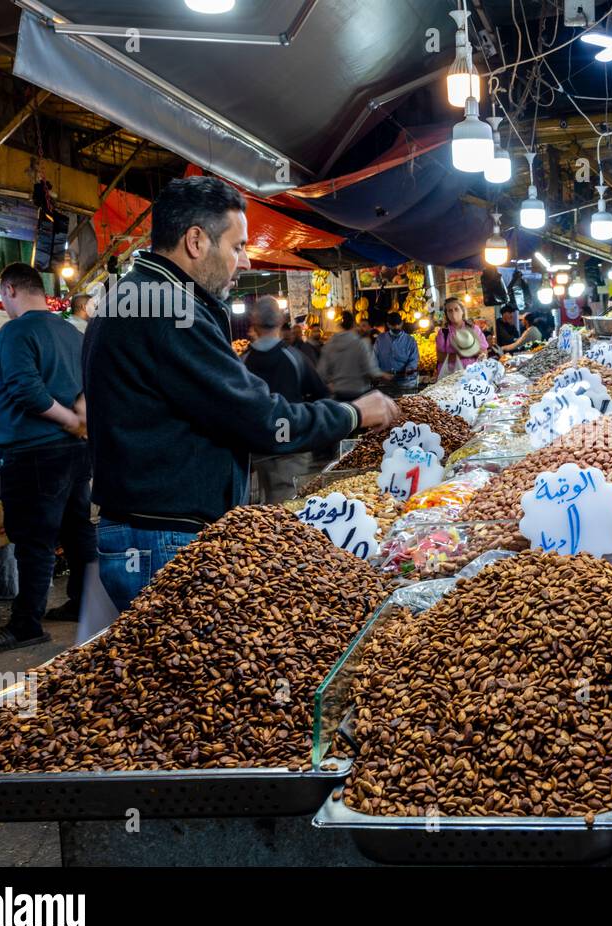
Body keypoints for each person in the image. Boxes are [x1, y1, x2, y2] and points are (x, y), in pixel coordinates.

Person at [83, 176, 399, 610]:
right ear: (196, 240)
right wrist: (353, 415)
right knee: (196, 674)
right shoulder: (170, 311)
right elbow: (262, 420)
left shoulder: (133, 296)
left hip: (144, 532)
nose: (246, 261)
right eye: (236, 246)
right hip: (162, 539)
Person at [0, 262, 94, 653]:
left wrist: (68, 421)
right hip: (74, 453)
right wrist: (79, 421)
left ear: (10, 290)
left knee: (33, 539)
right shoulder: (71, 331)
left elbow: (27, 391)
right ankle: (83, 601)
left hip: (34, 452)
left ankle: (26, 623)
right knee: (77, 528)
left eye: (1, 297)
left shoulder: (14, 332)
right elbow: (86, 385)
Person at [244, 296, 331, 502]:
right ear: (282, 321)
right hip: (292, 446)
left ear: (253, 322)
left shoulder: (242, 362)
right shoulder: (295, 358)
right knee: (289, 507)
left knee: (267, 509)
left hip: (259, 448)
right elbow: (322, 395)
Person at [318, 310, 383, 400]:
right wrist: (382, 374)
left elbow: (321, 372)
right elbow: (370, 370)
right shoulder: (360, 343)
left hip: (339, 394)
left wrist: (330, 383)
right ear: (353, 324)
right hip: (359, 394)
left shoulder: (329, 344)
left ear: (339, 325)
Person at [435, 296, 489, 377]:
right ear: (446, 314)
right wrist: (466, 353)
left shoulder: (474, 329)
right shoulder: (443, 332)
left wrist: (480, 355)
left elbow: (484, 352)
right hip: (450, 376)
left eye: (456, 309)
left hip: (473, 374)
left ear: (462, 311)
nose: (453, 313)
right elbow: (440, 357)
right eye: (450, 311)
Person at [374, 311, 420, 395]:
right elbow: (374, 358)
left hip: (405, 382)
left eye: (398, 324)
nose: (396, 327)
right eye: (393, 325)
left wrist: (409, 369)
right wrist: (380, 373)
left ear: (402, 323)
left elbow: (414, 359)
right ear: (388, 324)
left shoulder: (410, 340)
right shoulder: (380, 339)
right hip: (385, 382)